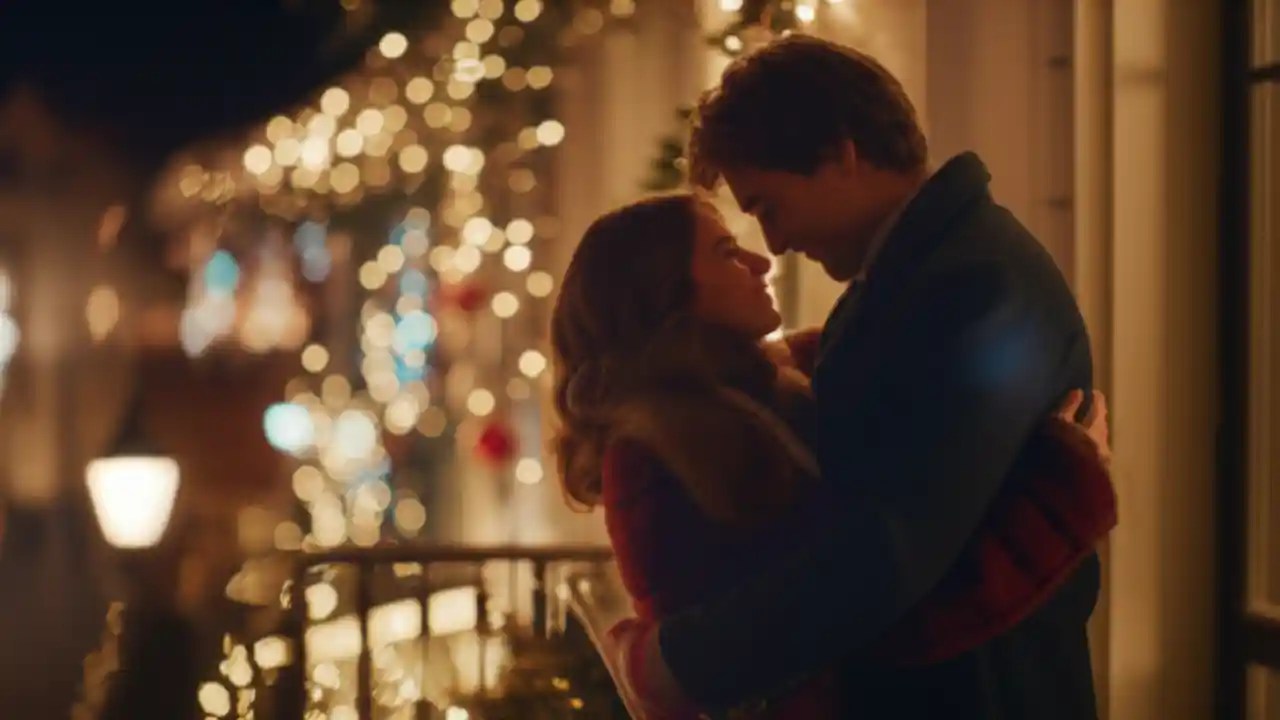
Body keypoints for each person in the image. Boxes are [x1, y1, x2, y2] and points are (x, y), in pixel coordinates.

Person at [600, 35, 1109, 719]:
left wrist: (676, 664)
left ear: (841, 155)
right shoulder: (917, 277)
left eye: (769, 208)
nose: (775, 246)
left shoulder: (969, 286)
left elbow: (887, 555)